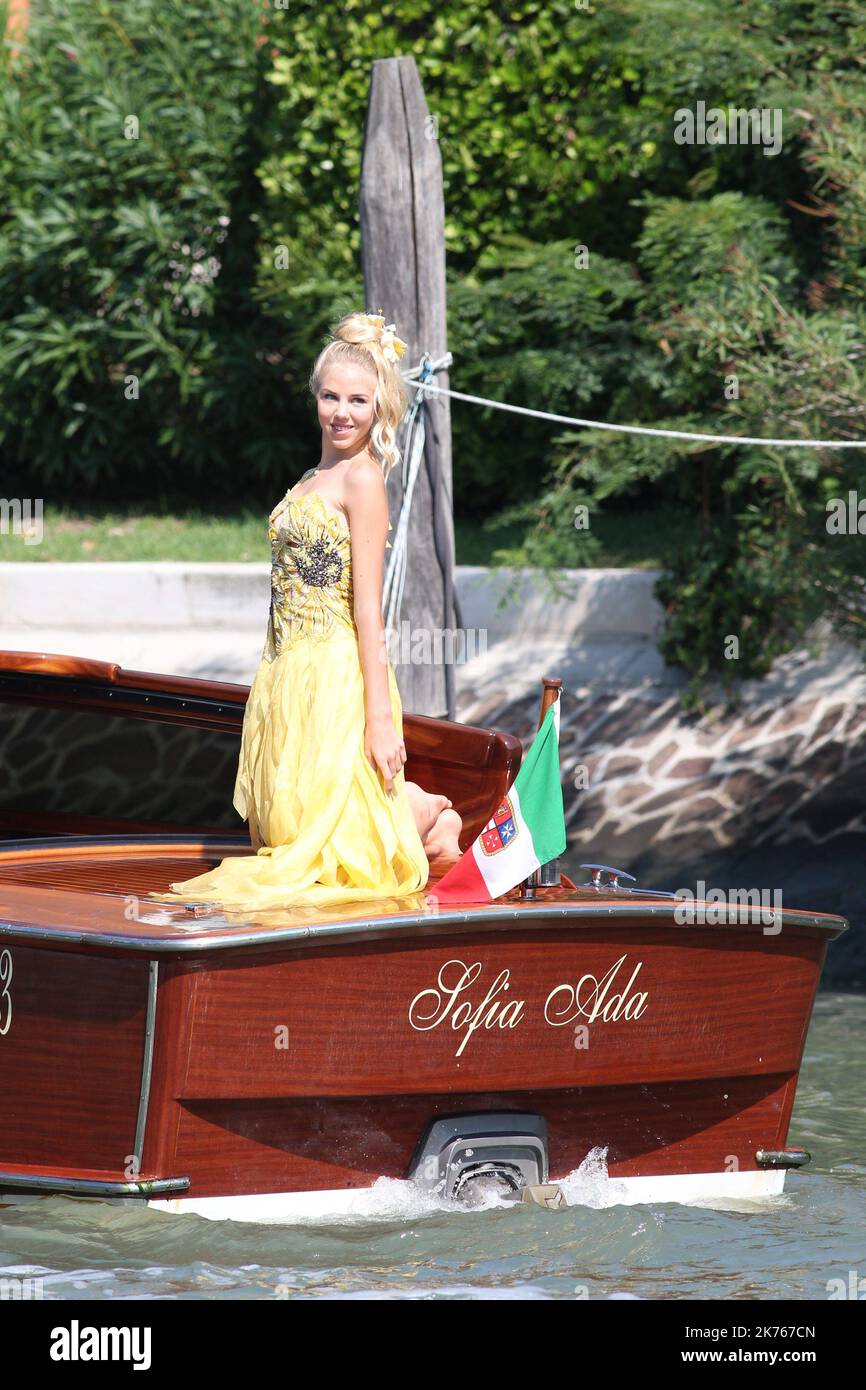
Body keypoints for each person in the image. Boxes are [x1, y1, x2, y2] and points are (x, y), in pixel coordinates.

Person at [151, 310, 462, 912]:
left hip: (337, 671)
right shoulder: (312, 477)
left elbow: (369, 610)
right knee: (294, 827)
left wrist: (379, 716)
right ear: (315, 398)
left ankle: (424, 812)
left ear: (378, 409)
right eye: (330, 397)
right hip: (286, 671)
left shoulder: (363, 479)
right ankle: (416, 812)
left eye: (357, 400)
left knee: (334, 859)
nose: (341, 412)